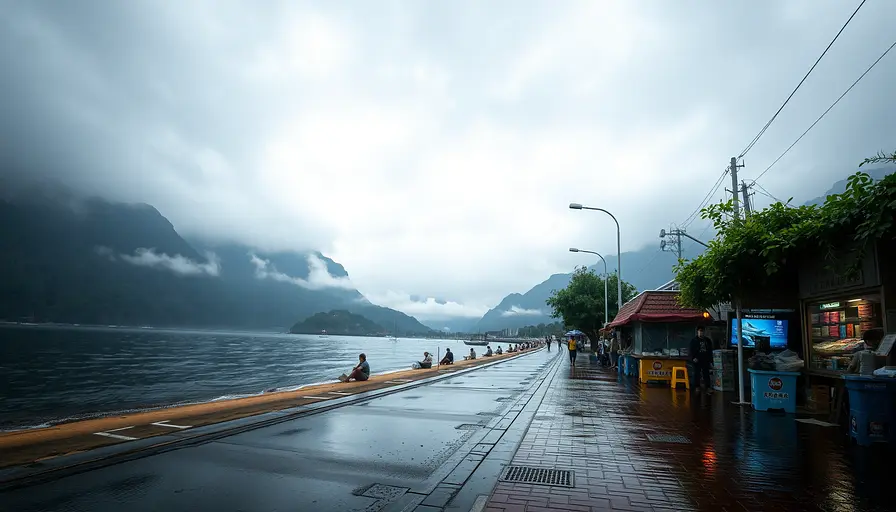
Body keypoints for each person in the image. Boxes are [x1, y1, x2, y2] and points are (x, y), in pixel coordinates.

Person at [689, 327, 713, 393]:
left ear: (704, 332)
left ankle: (708, 387)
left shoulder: (707, 340)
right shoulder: (694, 340)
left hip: (705, 359)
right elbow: (691, 350)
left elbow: (710, 350)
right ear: (697, 332)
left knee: (706, 373)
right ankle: (697, 387)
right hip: (697, 359)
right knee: (697, 373)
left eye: (702, 331)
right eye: (699, 331)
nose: (701, 333)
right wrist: (693, 358)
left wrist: (711, 360)